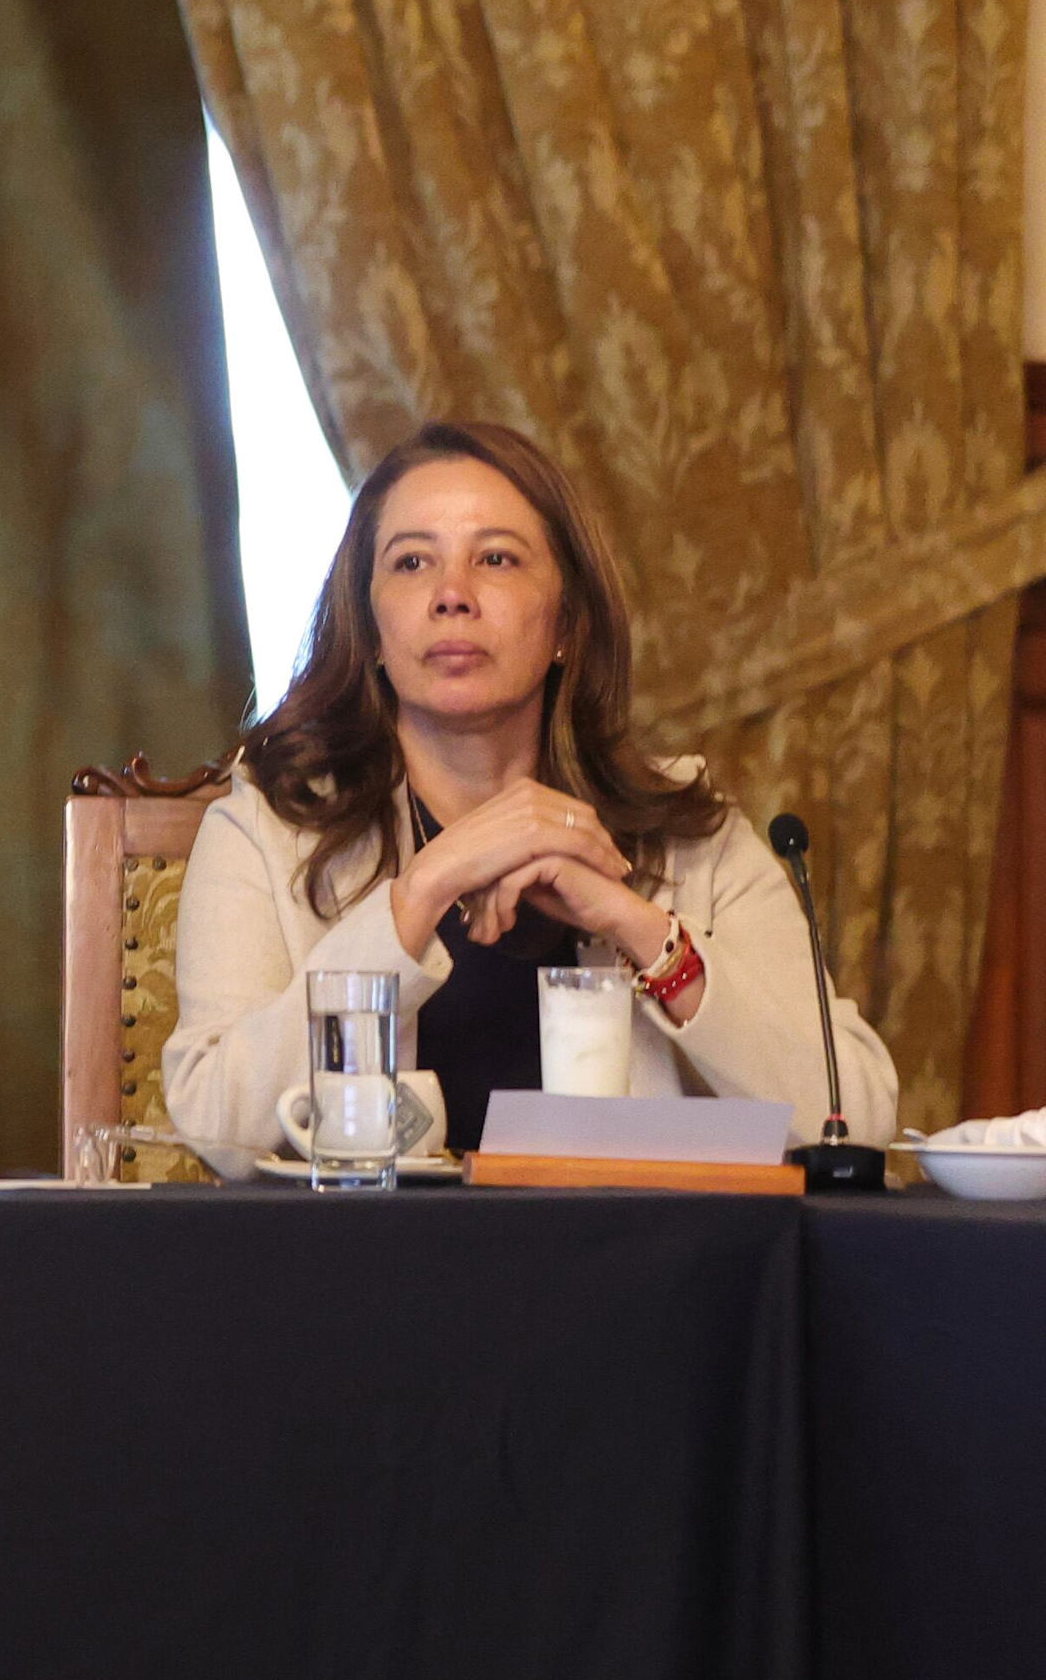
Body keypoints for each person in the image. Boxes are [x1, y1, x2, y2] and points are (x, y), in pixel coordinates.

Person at [166, 420, 892, 1153]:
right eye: (412, 562)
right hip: (368, 1263)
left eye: (497, 558)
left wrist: (640, 929)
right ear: (372, 629)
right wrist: (421, 892)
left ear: (567, 625)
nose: (452, 594)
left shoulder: (684, 832)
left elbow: (855, 1115)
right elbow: (215, 1124)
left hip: (625, 1259)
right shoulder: (271, 821)